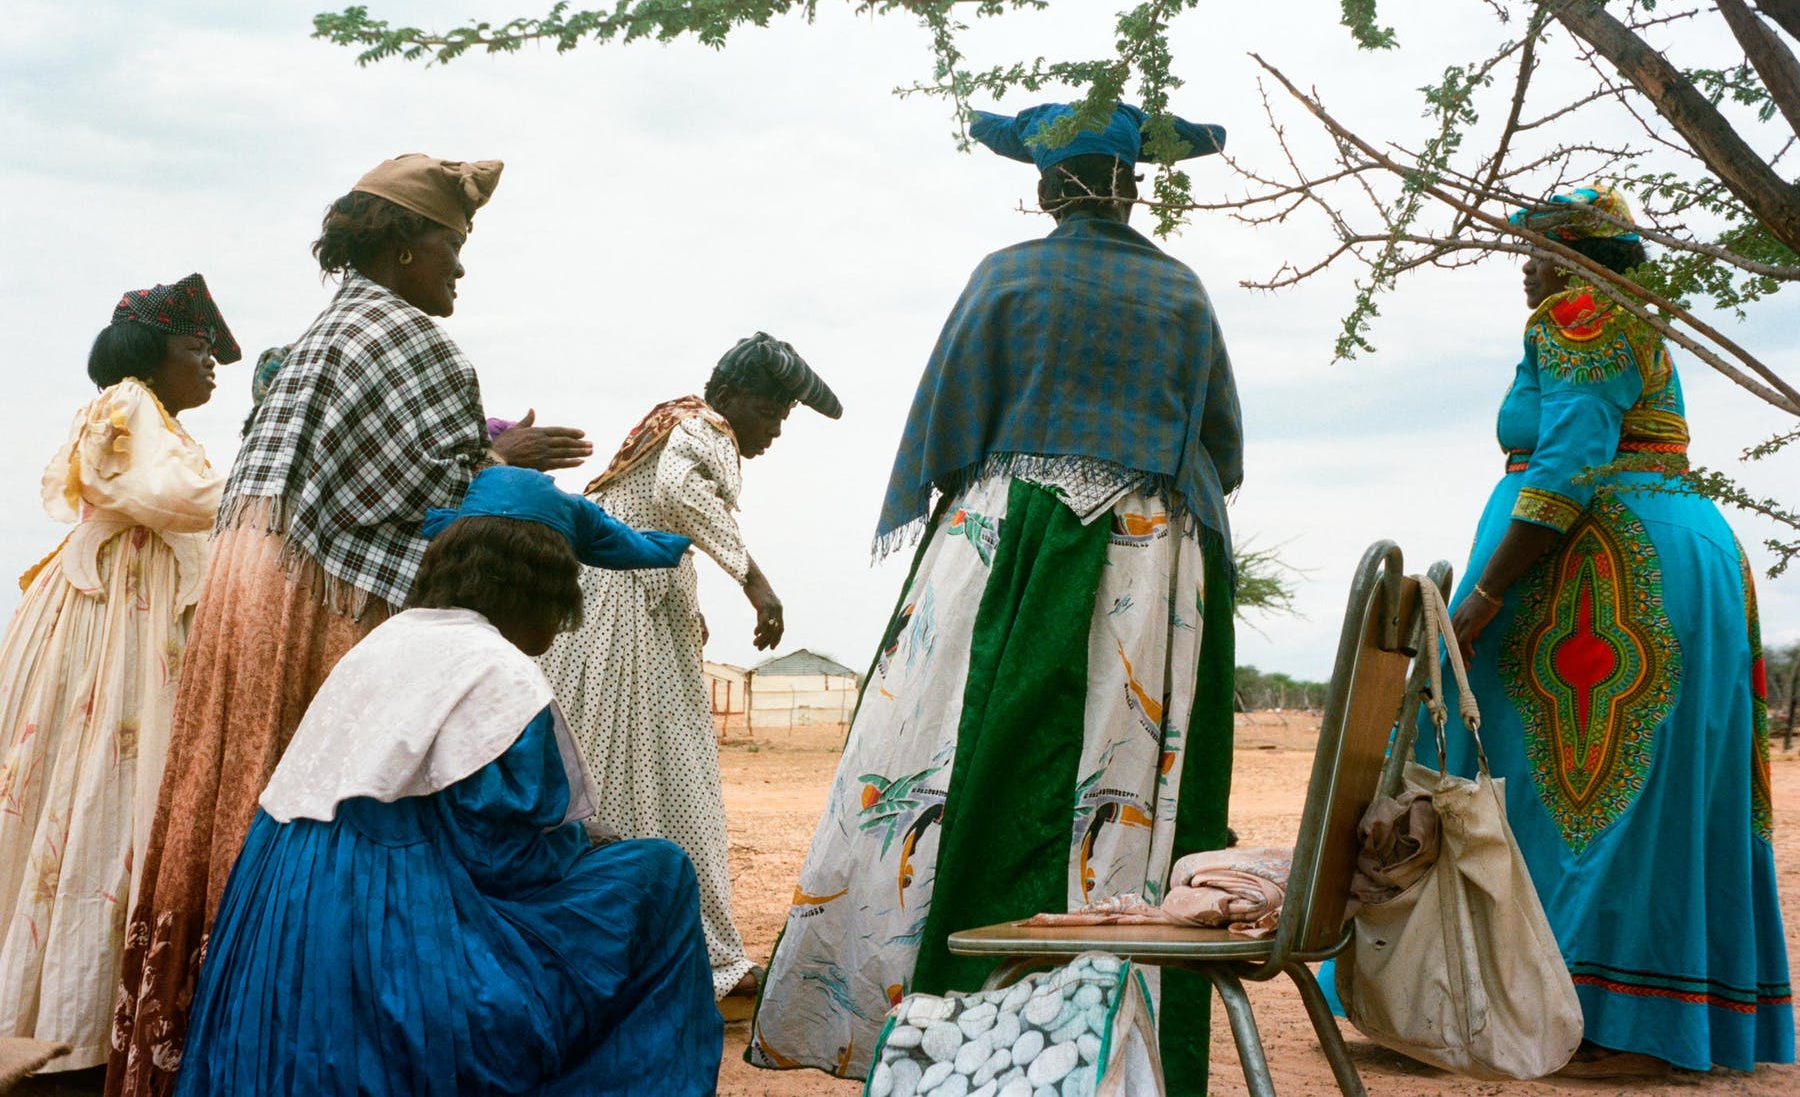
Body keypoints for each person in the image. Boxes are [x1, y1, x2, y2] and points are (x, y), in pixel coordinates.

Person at [750, 101, 1242, 1092]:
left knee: (947, 755)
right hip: (1149, 571)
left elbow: (947, 424)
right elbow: (1221, 452)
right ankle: (1111, 1039)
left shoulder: (1007, 275)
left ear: (1049, 187)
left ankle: (939, 1019)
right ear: (1131, 184)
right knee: (1118, 786)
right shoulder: (1182, 291)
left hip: (1003, 542)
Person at [107, 155, 594, 1096]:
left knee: (239, 791)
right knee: (346, 817)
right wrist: (505, 460)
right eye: (451, 248)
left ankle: (206, 1026)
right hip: (323, 599)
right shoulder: (421, 346)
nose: (459, 270)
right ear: (406, 246)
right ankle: (321, 1036)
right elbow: (434, 513)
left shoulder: (324, 333)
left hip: (248, 592)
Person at [172, 467, 721, 1095]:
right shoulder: (499, 673)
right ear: (542, 587)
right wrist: (590, 849)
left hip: (278, 936)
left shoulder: (382, 644)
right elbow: (506, 860)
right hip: (394, 952)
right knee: (659, 875)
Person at [1431, 185, 1792, 1076]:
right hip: (1659, 553)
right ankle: (1643, 1014)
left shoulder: (1581, 313)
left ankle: (1587, 1013)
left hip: (1606, 570)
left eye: (1540, 248)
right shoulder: (1629, 318)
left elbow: (1572, 456)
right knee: (1661, 785)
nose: (1527, 266)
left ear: (1576, 255)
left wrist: (1483, 595)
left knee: (1563, 784)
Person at [536, 333, 841, 1000]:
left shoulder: (672, 421)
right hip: (622, 614)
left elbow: (652, 518)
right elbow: (676, 495)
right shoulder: (706, 426)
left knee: (619, 777)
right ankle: (703, 962)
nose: (775, 430)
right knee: (670, 783)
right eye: (773, 411)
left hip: (614, 603)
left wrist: (685, 600)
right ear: (734, 397)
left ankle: (628, 946)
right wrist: (754, 581)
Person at [0, 277, 235, 1071]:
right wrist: (266, 488)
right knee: (106, 775)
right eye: (195, 348)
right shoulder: (128, 402)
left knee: (95, 782)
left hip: (129, 604)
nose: (210, 365)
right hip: (119, 614)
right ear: (149, 352)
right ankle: (75, 1019)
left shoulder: (148, 414)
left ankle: (79, 1007)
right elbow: (165, 493)